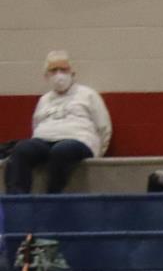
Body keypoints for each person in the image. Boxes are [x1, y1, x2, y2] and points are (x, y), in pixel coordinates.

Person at [8, 52, 112, 195]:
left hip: (78, 140)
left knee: (61, 151)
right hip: (45, 140)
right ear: (47, 76)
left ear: (72, 73)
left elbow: (104, 126)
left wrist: (98, 152)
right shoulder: (44, 99)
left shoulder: (88, 94)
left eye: (63, 70)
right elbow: (36, 124)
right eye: (54, 70)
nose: (59, 74)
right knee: (21, 149)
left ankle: (52, 196)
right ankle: (17, 201)